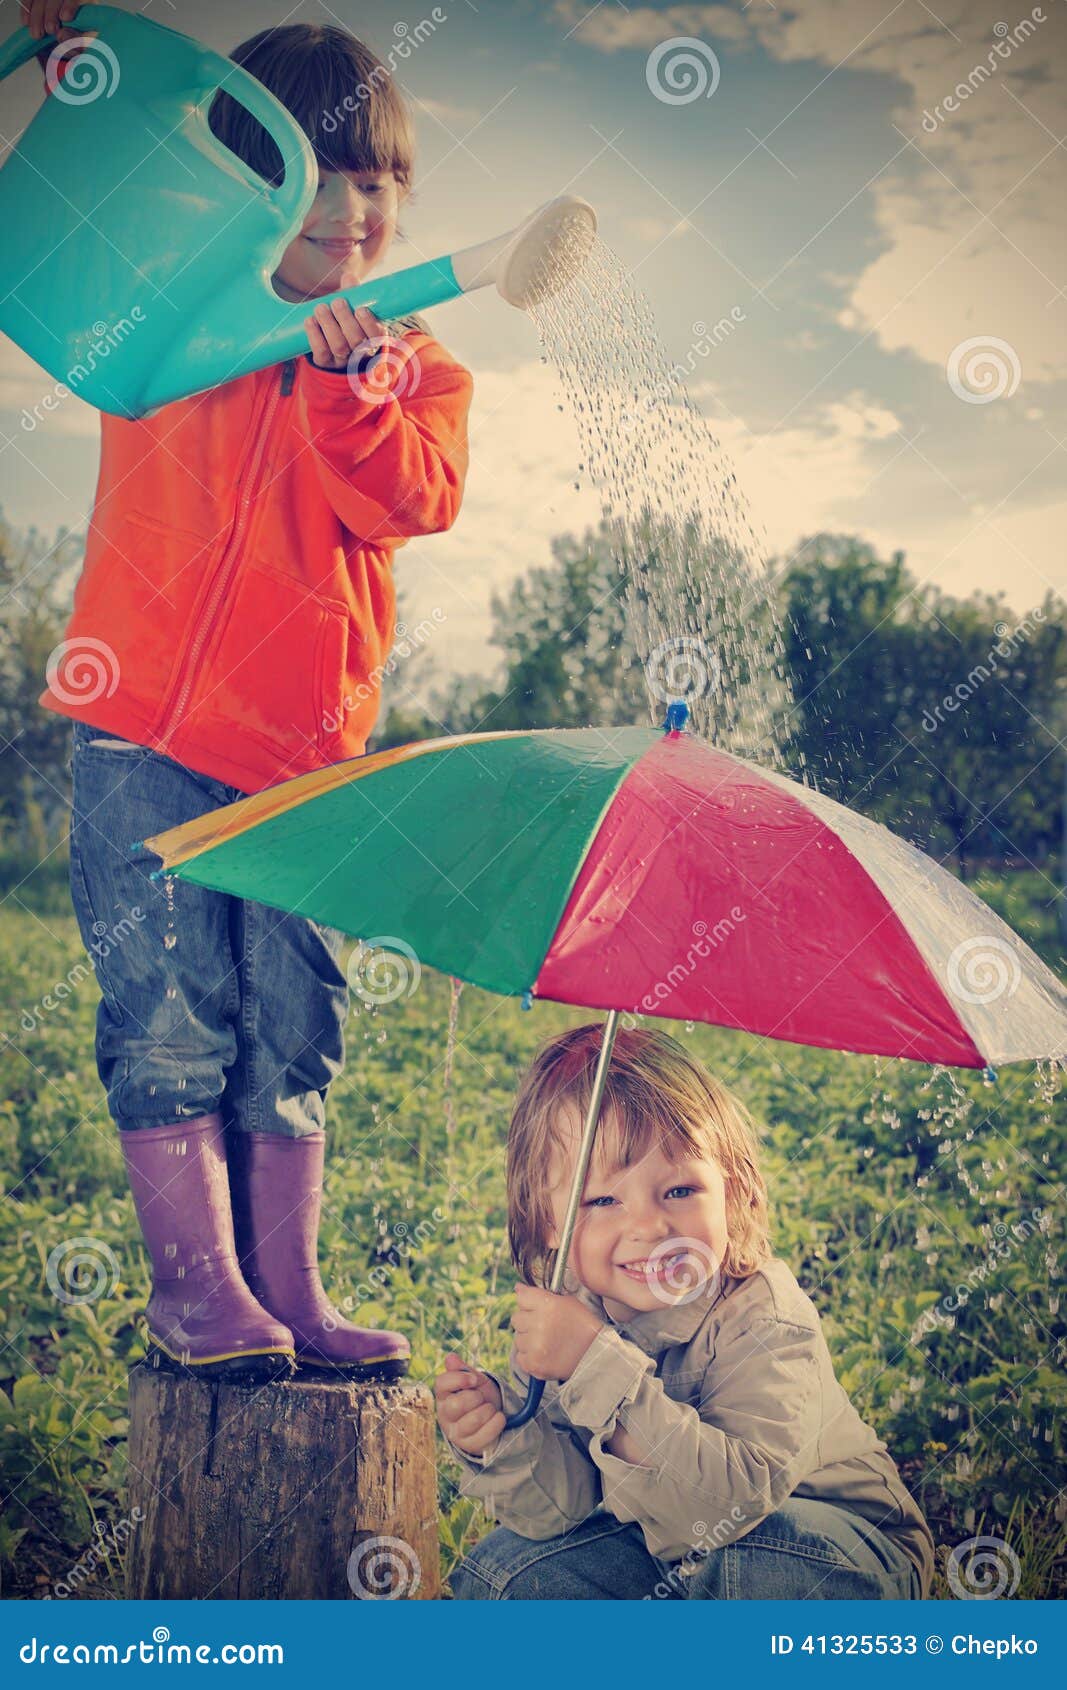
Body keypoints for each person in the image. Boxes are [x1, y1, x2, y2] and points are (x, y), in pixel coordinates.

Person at [25, 3, 474, 1380]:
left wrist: (348, 387)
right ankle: (194, 1289)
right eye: (321, 175)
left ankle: (288, 1287)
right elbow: (90, 212)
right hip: (140, 729)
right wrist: (81, 79)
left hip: (304, 758)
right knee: (164, 1010)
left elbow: (410, 499)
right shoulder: (163, 323)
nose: (356, 208)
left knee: (292, 1023)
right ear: (238, 188)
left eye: (380, 177)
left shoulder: (416, 363)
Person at [437, 1025, 934, 1599]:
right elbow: (565, 1510)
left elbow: (727, 1508)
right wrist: (501, 1436)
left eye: (679, 1191)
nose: (649, 1227)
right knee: (508, 1573)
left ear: (734, 1188)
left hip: (836, 1548)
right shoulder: (562, 1315)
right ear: (548, 1221)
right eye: (601, 1200)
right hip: (667, 1545)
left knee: (740, 1566)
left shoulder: (765, 1314)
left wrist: (595, 1364)